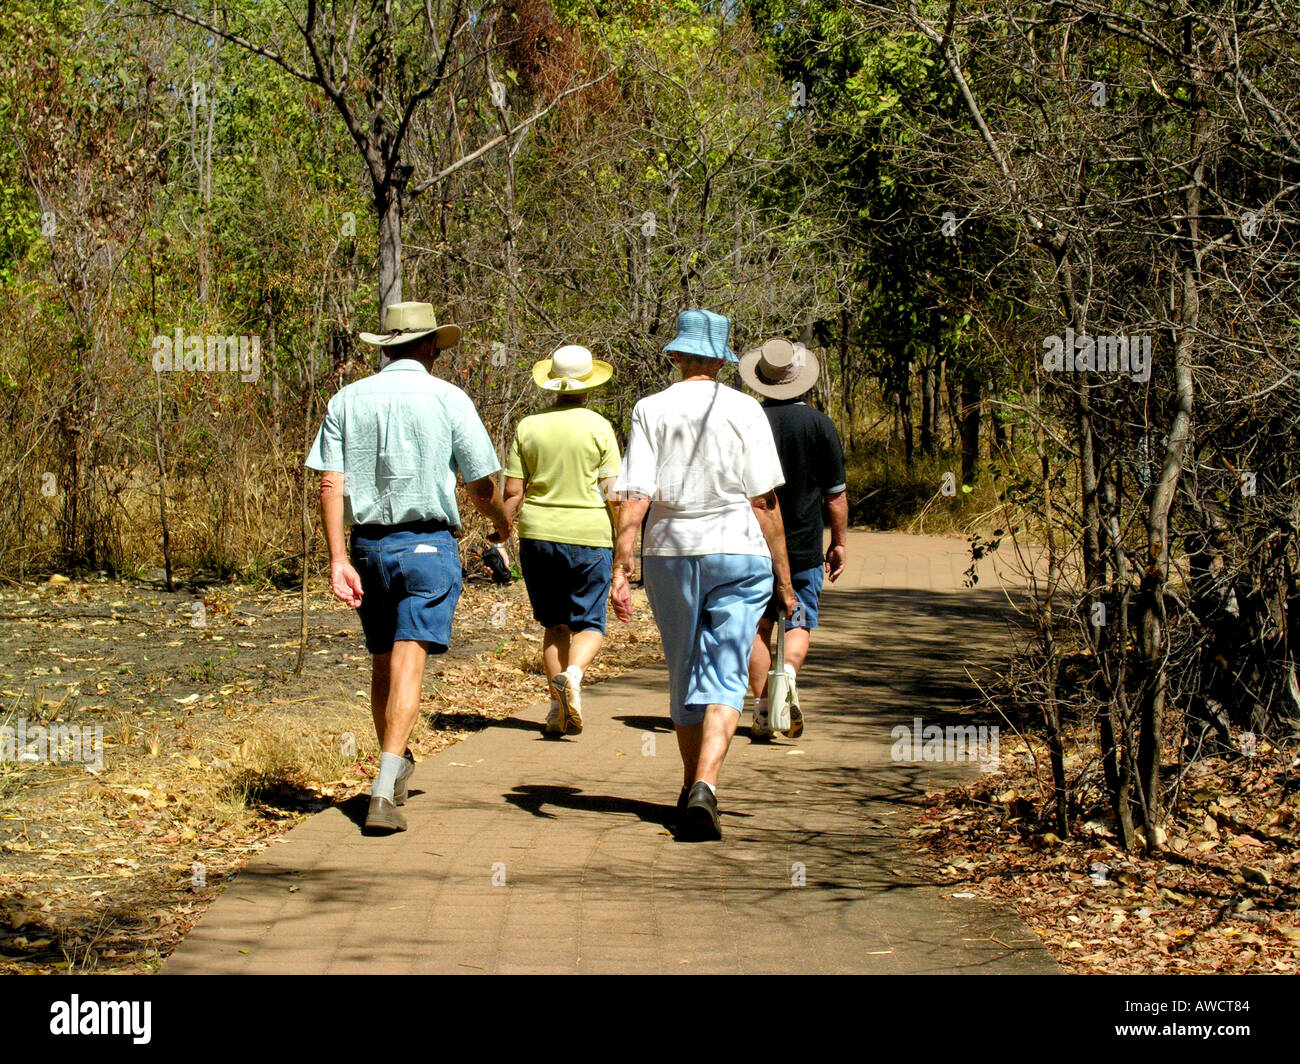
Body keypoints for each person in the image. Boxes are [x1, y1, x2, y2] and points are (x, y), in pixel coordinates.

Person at [305, 301, 511, 836]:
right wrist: (501, 521)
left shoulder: (346, 400)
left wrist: (337, 558)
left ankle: (392, 765)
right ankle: (383, 785)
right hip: (427, 545)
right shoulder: (447, 398)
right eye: (436, 349)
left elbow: (331, 484)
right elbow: (480, 484)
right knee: (408, 659)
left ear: (385, 347)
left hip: (368, 547)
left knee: (383, 660)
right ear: (425, 347)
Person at [610, 310, 796, 841]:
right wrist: (783, 579)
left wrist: (623, 562)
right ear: (722, 360)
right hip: (738, 552)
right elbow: (764, 501)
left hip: (671, 554)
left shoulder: (650, 408)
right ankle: (704, 787)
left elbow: (636, 493)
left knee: (684, 669)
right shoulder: (746, 409)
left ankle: (692, 783)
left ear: (675, 356)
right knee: (726, 668)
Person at [503, 345, 621, 737]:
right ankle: (573, 674)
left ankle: (556, 712)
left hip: (538, 535)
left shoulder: (528, 426)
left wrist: (503, 530)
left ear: (551, 383)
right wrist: (624, 543)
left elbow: (513, 491)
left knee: (554, 625)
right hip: (589, 534)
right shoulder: (599, 427)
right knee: (590, 622)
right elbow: (612, 492)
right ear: (589, 383)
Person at [739, 338, 848, 740]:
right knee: (798, 620)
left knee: (757, 627)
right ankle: (787, 676)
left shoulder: (749, 422)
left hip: (753, 546)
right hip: (802, 550)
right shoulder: (819, 424)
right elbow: (834, 493)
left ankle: (765, 708)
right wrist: (838, 542)